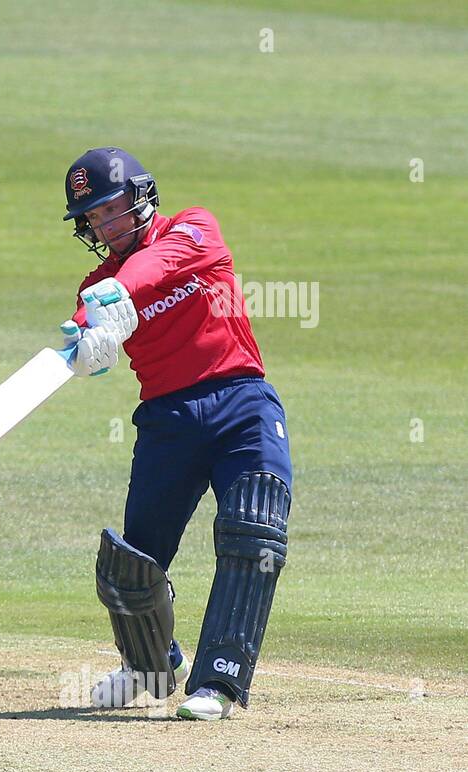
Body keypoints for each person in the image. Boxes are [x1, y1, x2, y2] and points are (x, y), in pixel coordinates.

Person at [61, 148, 292, 720]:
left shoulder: (195, 229)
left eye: (112, 209)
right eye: (93, 218)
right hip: (167, 421)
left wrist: (118, 296)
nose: (105, 226)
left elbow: (153, 268)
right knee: (131, 564)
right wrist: (86, 344)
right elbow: (89, 336)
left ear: (141, 197)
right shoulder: (96, 286)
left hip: (243, 404)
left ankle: (218, 682)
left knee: (253, 534)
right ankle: (149, 664)